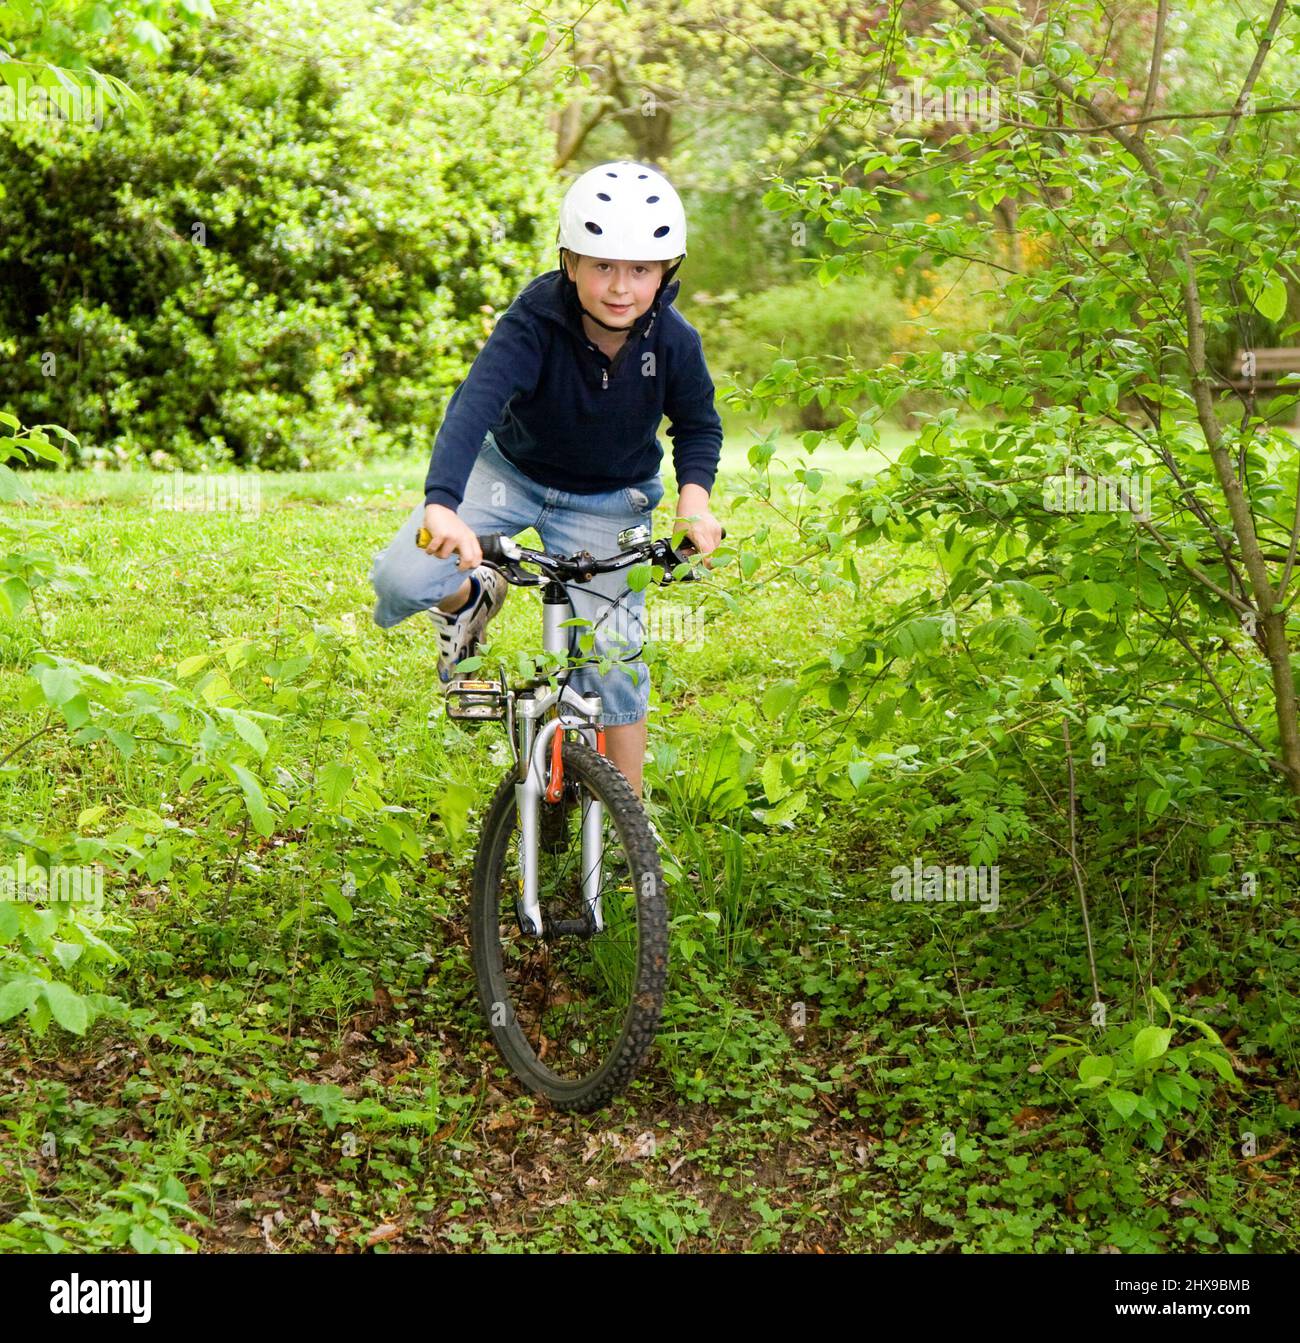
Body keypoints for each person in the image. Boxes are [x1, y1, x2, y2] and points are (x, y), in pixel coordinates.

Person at [369, 160, 725, 799]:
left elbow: (698, 425)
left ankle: (626, 817)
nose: (620, 288)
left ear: (666, 271)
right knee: (404, 577)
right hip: (508, 474)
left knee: (612, 661)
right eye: (602, 266)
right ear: (570, 262)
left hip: (610, 501)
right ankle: (469, 600)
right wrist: (442, 504)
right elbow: (473, 407)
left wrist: (693, 504)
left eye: (640, 270)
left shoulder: (674, 341)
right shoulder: (532, 322)